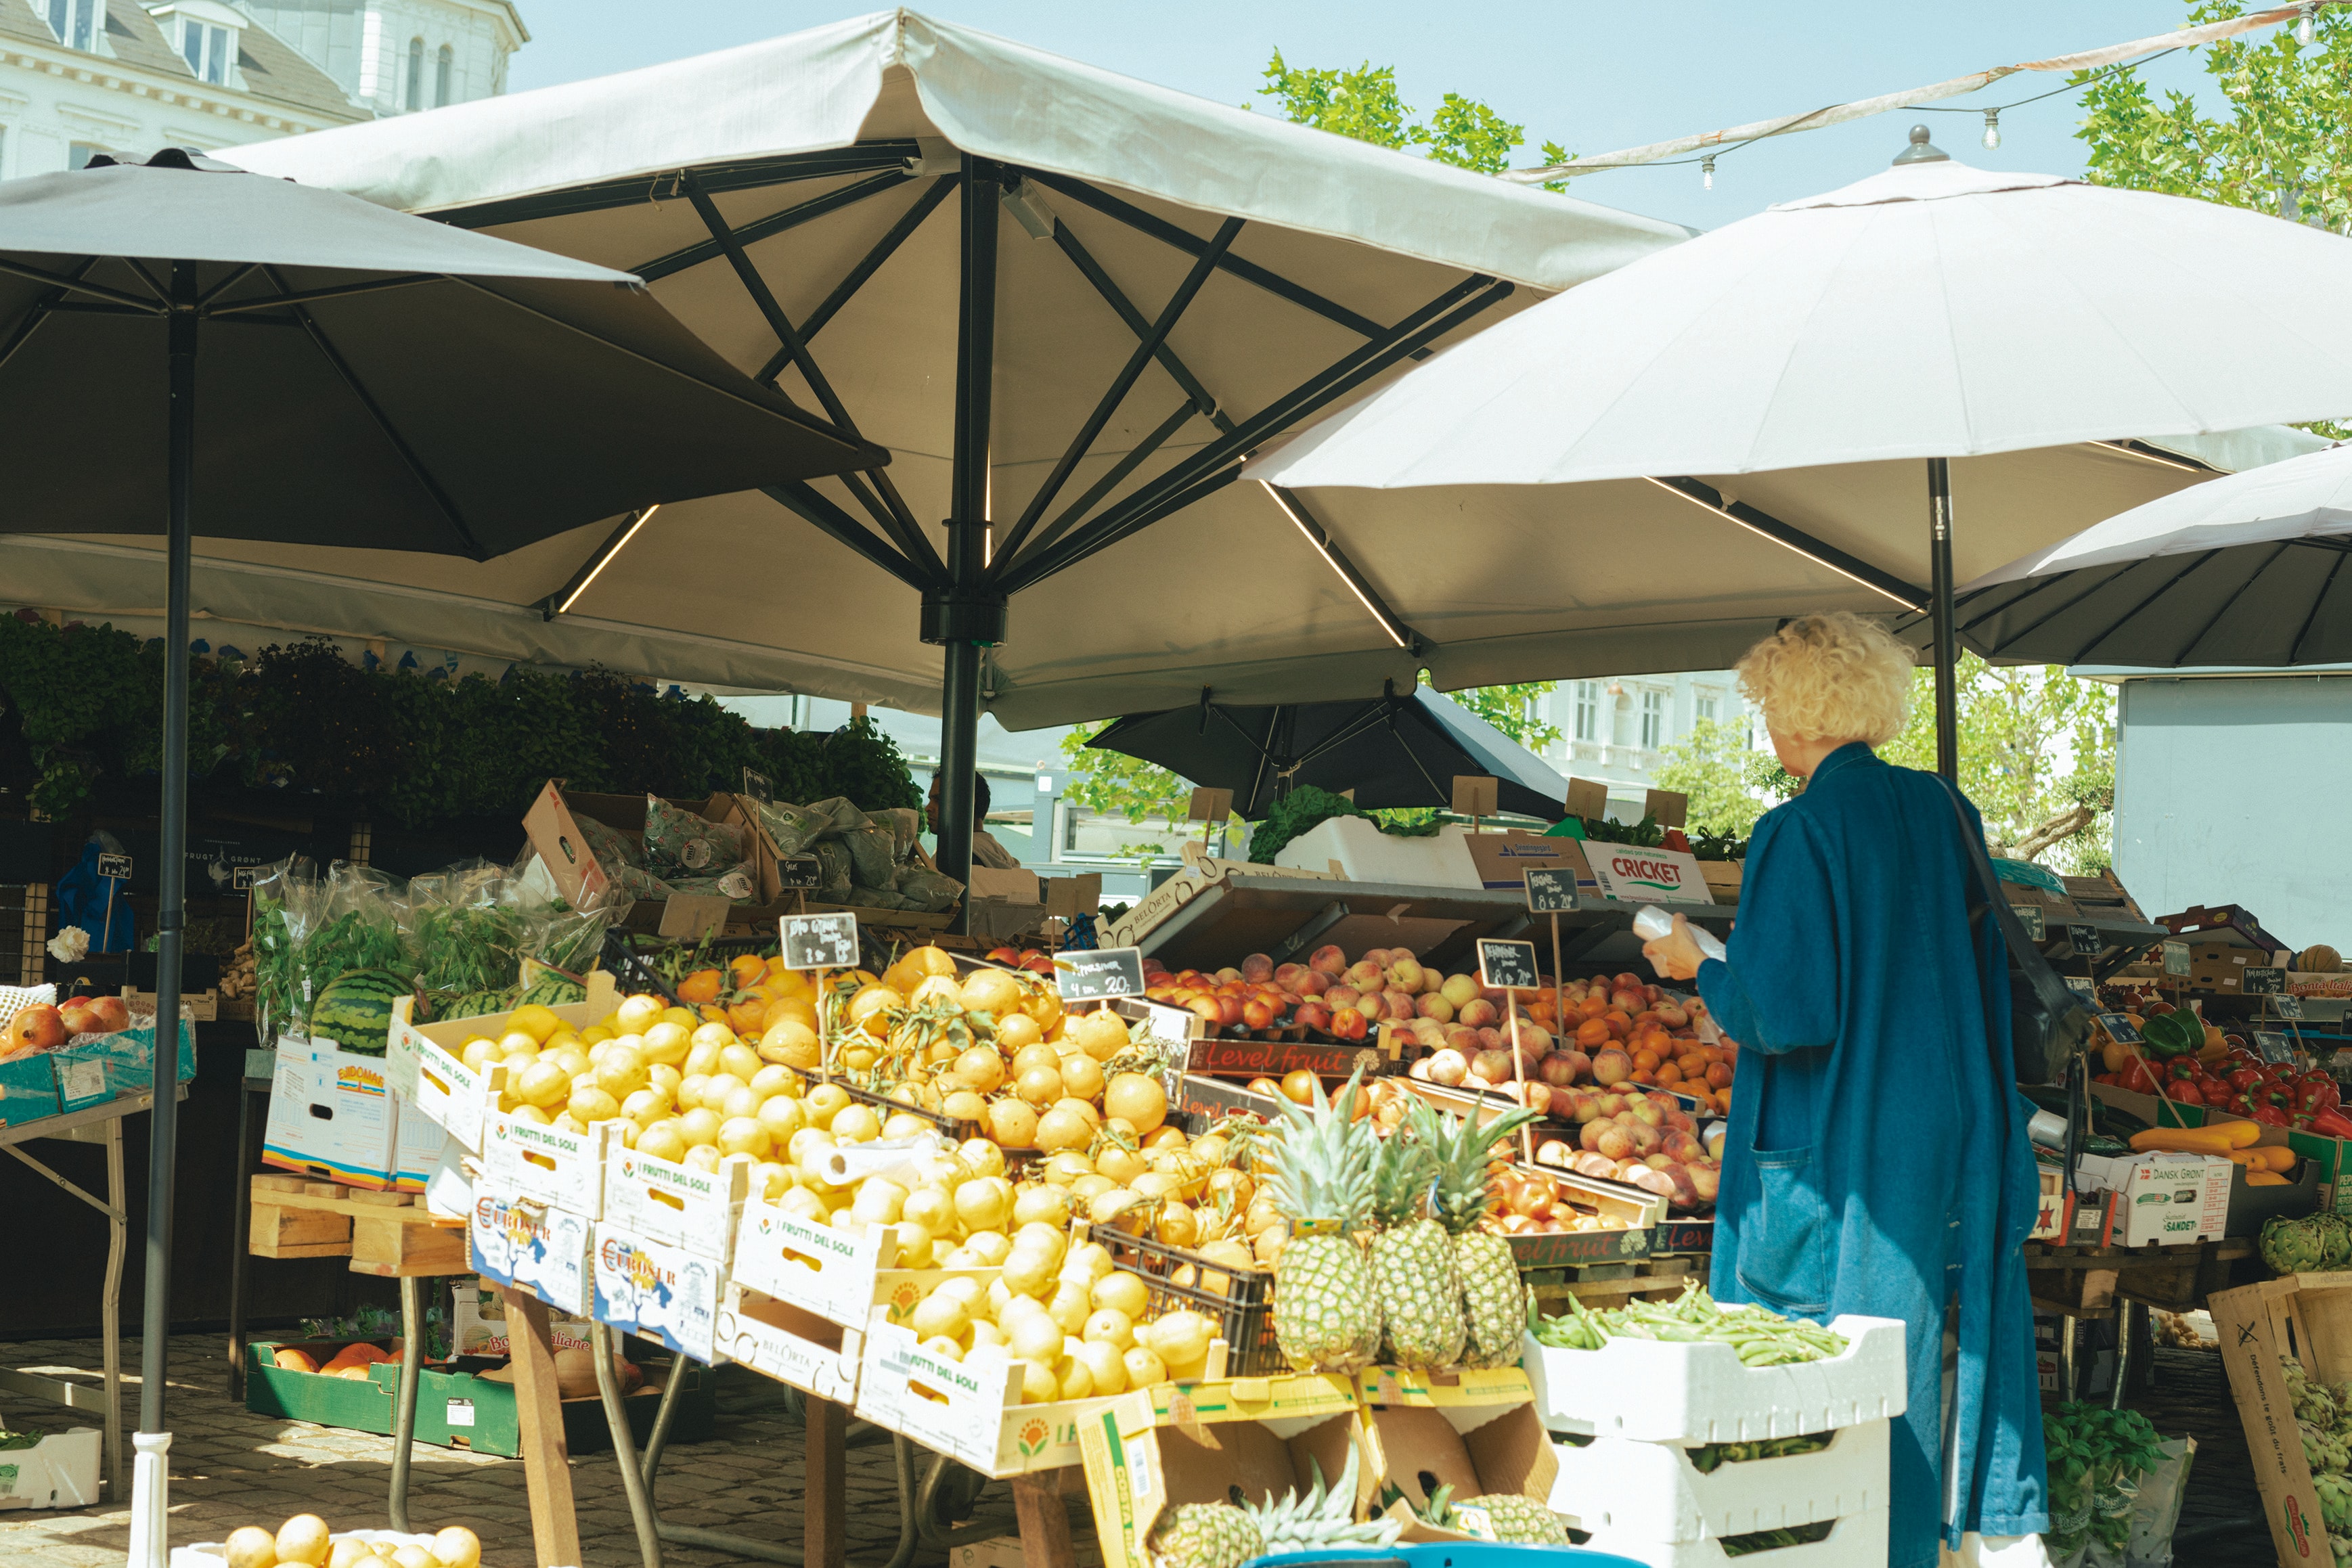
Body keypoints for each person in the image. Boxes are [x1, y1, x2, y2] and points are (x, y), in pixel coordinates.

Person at [1639, 612, 2049, 1568]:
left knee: (1859, 1359)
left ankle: (1875, 1547)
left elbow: (1783, 1014)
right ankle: (1983, 1539)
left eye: (1763, 707)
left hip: (1854, 1136)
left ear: (1789, 712)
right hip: (1959, 1121)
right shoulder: (1946, 809)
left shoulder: (1797, 829)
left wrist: (1692, 964)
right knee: (1960, 1344)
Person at [927, 771, 1021, 870]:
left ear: (967, 803)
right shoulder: (1000, 855)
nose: (928, 808)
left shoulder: (956, 855)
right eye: (930, 800)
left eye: (938, 800)